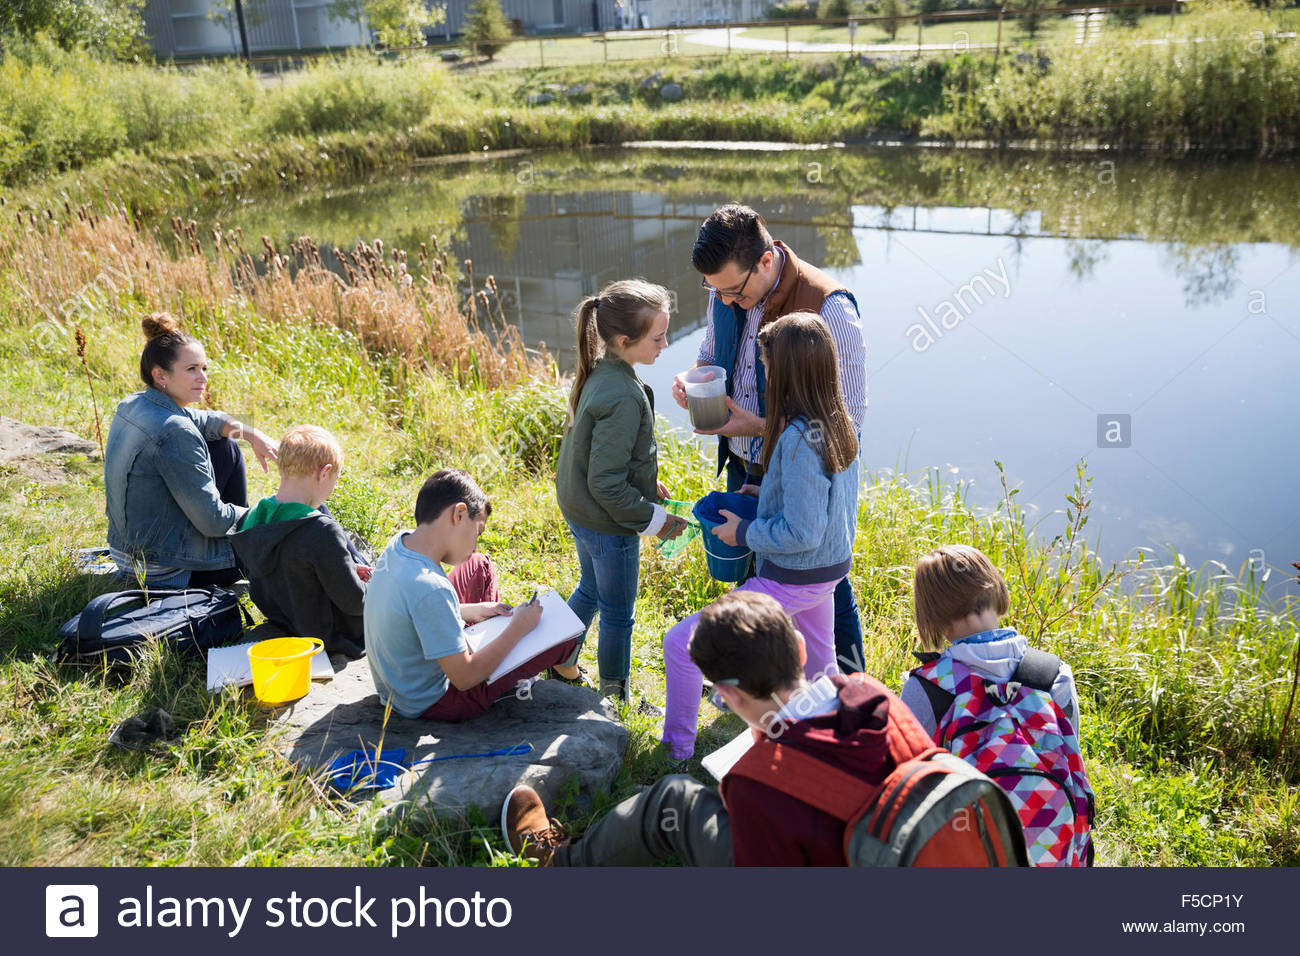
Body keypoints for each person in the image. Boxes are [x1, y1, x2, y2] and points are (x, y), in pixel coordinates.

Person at [500, 592, 909, 866]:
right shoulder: (874, 695)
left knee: (673, 799)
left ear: (727, 696)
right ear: (800, 650)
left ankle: (559, 866)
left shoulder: (754, 781)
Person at [674, 203, 868, 674]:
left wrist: (760, 425)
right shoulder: (727, 289)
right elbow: (710, 351)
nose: (723, 301)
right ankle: (758, 681)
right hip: (746, 466)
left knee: (823, 587)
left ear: (764, 261)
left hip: (800, 471)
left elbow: (846, 424)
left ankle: (853, 687)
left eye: (732, 291)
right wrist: (692, 378)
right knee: (759, 580)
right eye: (713, 290)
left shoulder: (829, 307)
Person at [660, 313, 859, 761]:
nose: (764, 376)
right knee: (823, 666)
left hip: (793, 575)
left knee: (681, 644)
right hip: (828, 572)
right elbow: (821, 502)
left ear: (785, 371)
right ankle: (829, 741)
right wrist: (764, 492)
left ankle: (676, 750)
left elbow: (803, 530)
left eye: (766, 367)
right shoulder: (838, 421)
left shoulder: (796, 438)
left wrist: (744, 530)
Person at [900, 544, 1094, 866]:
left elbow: (910, 786)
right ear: (995, 590)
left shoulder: (928, 689)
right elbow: (1071, 757)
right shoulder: (1053, 675)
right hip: (1053, 849)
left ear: (932, 617)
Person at [555, 279, 687, 701]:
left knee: (590, 588)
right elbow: (607, 483)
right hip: (608, 523)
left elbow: (608, 460)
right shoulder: (625, 396)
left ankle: (561, 659)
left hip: (580, 508)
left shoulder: (604, 370)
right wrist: (658, 521)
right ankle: (615, 697)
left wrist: (648, 485)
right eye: (658, 336)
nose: (665, 344)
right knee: (617, 613)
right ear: (625, 340)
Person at [364, 469, 581, 723]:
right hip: (438, 700)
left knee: (478, 564)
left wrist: (472, 610)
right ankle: (569, 675)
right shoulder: (432, 588)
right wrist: (517, 629)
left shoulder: (400, 543)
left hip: (399, 684)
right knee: (565, 635)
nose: (476, 544)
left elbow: (411, 608)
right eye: (477, 532)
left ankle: (488, 643)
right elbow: (464, 678)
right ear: (458, 514)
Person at [104, 312, 278, 589]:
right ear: (160, 375)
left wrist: (254, 435)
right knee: (285, 535)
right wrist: (268, 511)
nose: (203, 378)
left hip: (128, 552)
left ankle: (242, 538)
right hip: (163, 569)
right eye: (191, 369)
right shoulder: (175, 432)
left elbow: (209, 421)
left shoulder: (135, 404)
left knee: (226, 445)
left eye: (204, 368)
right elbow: (212, 523)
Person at [230, 425, 370, 659]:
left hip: (283, 622)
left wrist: (344, 568)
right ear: (324, 473)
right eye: (334, 479)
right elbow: (355, 603)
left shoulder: (252, 518)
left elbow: (292, 570)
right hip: (329, 636)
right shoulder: (321, 530)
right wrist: (374, 587)